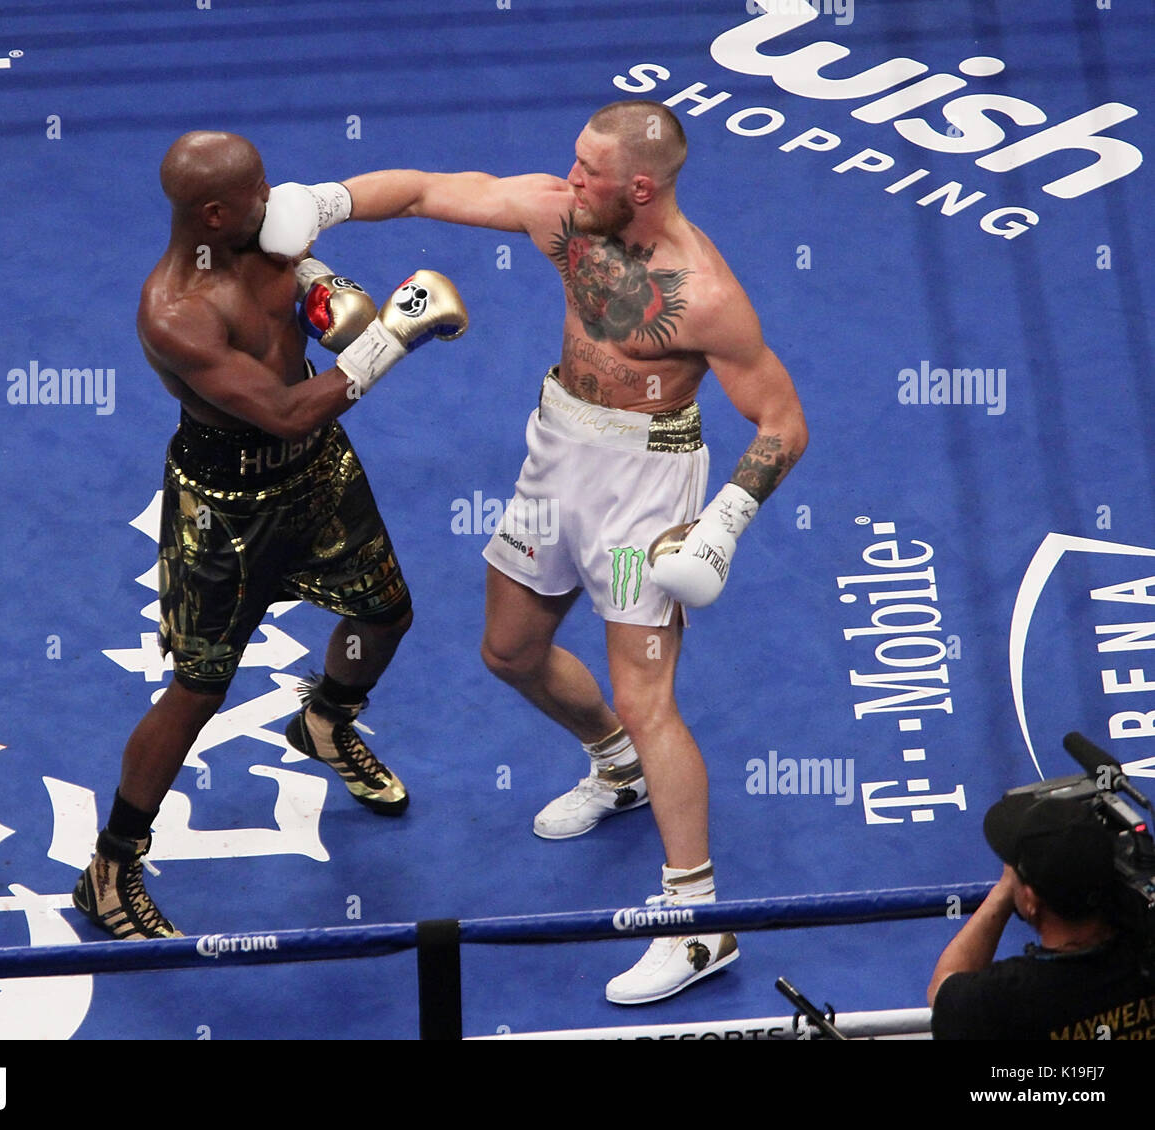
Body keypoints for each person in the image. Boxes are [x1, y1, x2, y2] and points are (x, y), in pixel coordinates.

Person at [339, 100, 808, 1003]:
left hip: (645, 491)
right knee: (509, 649)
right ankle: (616, 769)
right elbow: (436, 191)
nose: (570, 178)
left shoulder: (704, 295)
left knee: (646, 694)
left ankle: (698, 923)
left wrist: (722, 523)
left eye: (589, 170)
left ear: (640, 186)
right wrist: (319, 204)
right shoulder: (566, 218)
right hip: (557, 455)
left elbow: (783, 421)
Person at [73, 131, 467, 940]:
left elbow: (370, 211)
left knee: (385, 615)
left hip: (317, 473)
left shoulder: (270, 225)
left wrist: (326, 292)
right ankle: (110, 866)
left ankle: (325, 718)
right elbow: (287, 410)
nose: (273, 196)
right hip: (226, 507)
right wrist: (396, 331)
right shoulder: (174, 311)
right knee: (199, 690)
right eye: (256, 190)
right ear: (214, 214)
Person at [928, 790, 1155, 1040]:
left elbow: (941, 992)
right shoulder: (1143, 947)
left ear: (1030, 899)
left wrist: (1004, 890)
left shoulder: (1002, 999)